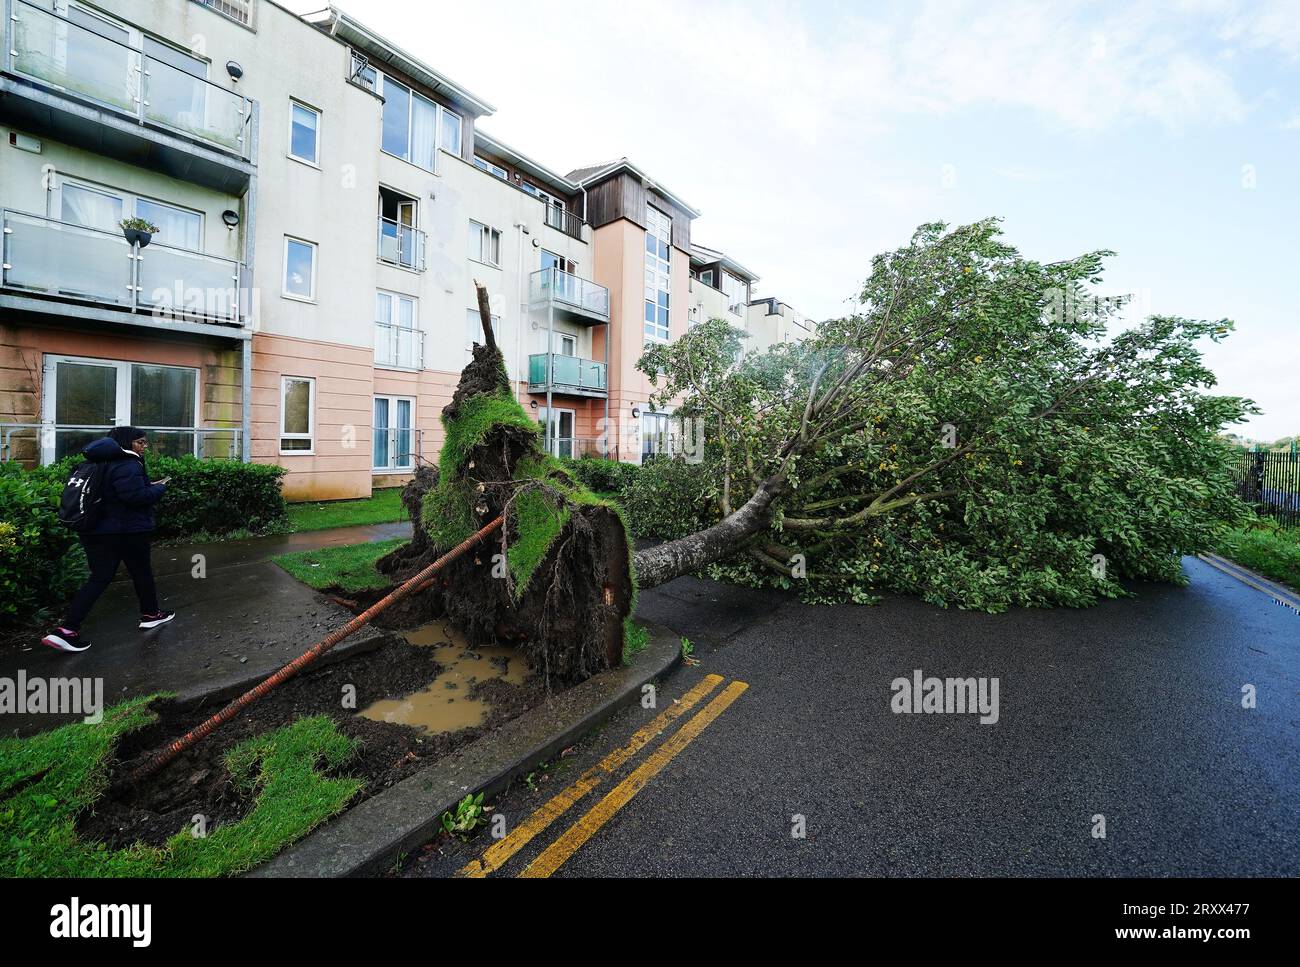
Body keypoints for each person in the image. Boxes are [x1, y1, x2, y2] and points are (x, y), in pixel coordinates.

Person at [42, 427, 175, 652]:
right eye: (140, 442)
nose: (144, 447)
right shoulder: (128, 463)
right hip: (127, 531)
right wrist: (159, 488)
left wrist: (144, 487)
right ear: (126, 443)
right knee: (141, 572)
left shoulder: (91, 464)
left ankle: (66, 630)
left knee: (99, 577)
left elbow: (111, 494)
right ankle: (151, 614)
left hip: (93, 530)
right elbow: (135, 497)